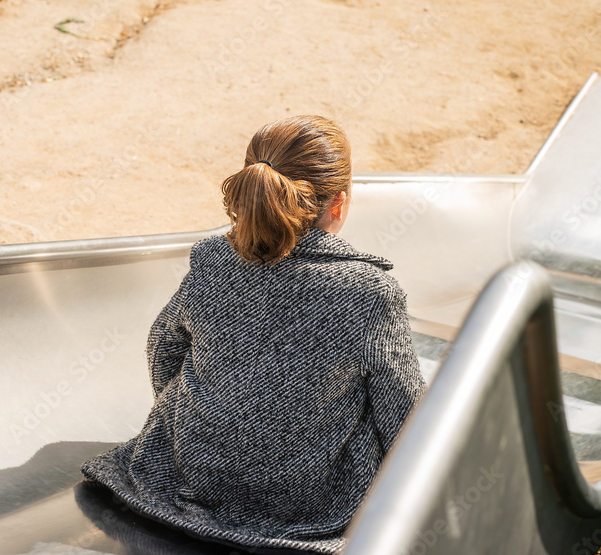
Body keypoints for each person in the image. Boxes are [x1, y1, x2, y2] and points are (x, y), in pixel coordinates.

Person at [81, 115, 426, 554]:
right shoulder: (368, 292)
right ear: (338, 204)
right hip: (305, 503)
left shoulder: (212, 260)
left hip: (192, 473)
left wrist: (206, 427)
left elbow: (164, 346)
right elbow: (404, 414)